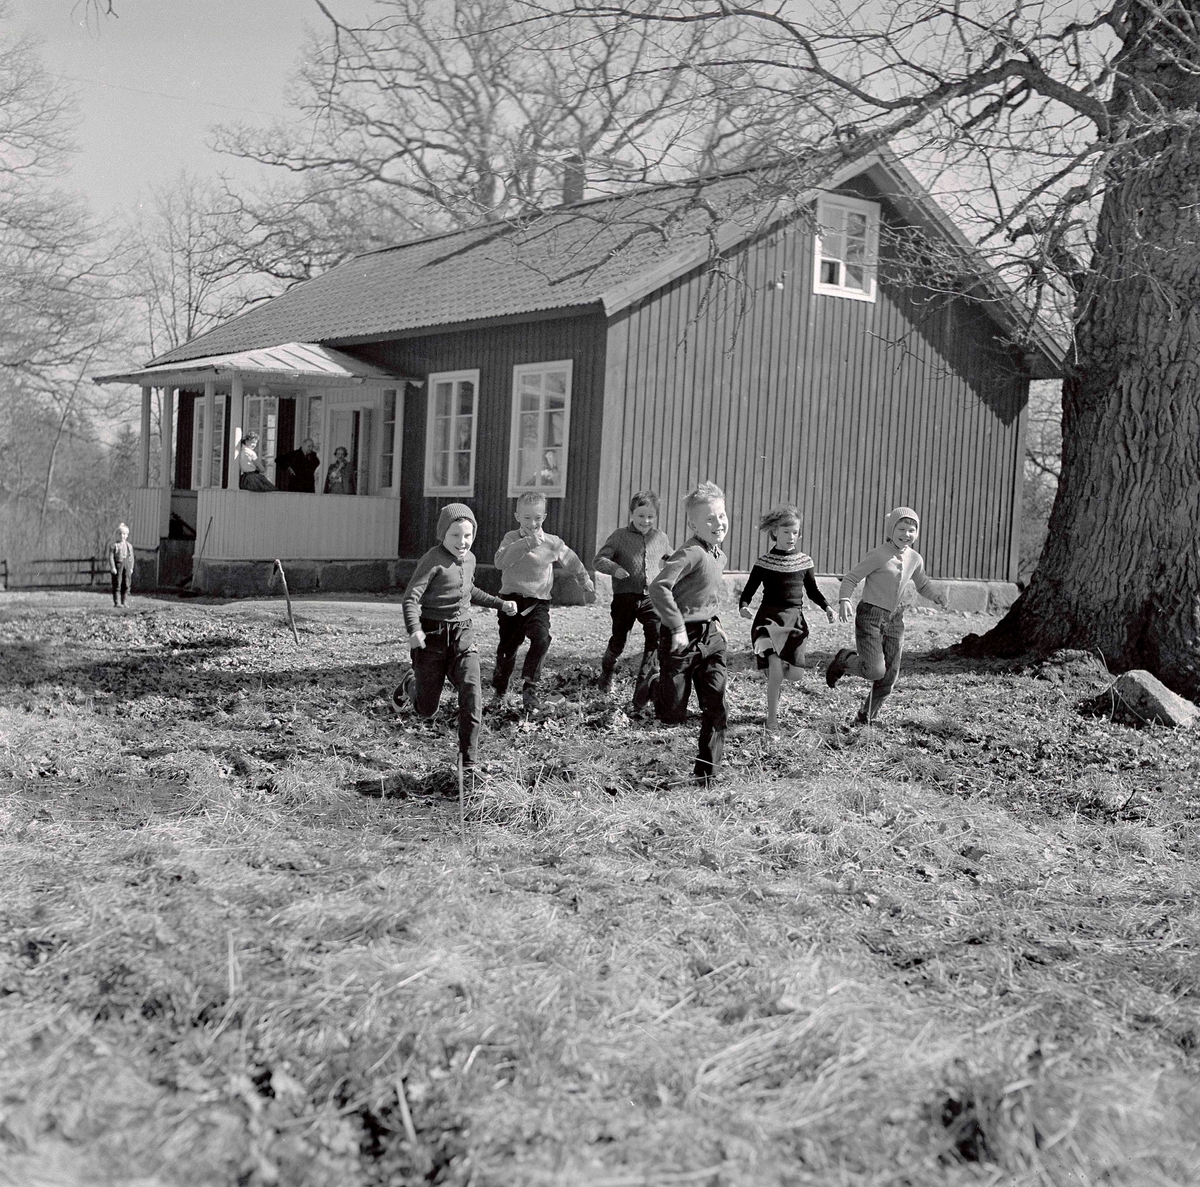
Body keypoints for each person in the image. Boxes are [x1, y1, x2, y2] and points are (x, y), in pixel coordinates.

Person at [395, 504, 517, 779]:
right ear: (443, 535)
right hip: (432, 638)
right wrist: (414, 630)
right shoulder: (432, 560)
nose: (462, 542)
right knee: (427, 710)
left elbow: (469, 589)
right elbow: (411, 599)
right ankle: (410, 683)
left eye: (467, 535)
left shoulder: (470, 559)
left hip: (463, 635)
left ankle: (468, 766)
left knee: (472, 694)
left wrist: (500, 604)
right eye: (455, 536)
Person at [826, 505, 948, 725]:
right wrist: (845, 599)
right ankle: (844, 660)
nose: (906, 534)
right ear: (891, 529)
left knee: (889, 676)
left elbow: (923, 584)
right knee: (874, 670)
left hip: (895, 620)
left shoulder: (915, 558)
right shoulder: (879, 555)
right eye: (901, 529)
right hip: (870, 617)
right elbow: (851, 578)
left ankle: (866, 716)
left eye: (911, 530)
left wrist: (936, 596)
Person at [649, 481, 730, 785]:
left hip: (710, 638)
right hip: (679, 637)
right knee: (672, 713)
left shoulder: (719, 556)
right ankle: (654, 684)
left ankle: (706, 776)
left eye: (721, 516)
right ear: (693, 523)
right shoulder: (691, 553)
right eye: (709, 519)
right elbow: (659, 587)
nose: (718, 523)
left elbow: (704, 594)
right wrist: (677, 626)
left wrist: (716, 627)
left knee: (717, 704)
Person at [492, 491, 596, 713]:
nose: (532, 523)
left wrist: (583, 578)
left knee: (541, 639)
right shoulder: (511, 538)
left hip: (538, 603)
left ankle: (530, 687)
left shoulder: (552, 543)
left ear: (544, 517)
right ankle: (499, 691)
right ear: (517, 516)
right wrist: (527, 543)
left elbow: (571, 559)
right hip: (511, 601)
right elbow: (500, 562)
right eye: (527, 518)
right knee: (508, 649)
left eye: (537, 518)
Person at [739, 504, 836, 733]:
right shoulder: (764, 562)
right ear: (774, 532)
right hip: (769, 619)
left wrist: (827, 607)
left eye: (795, 532)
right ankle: (772, 721)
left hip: (794, 620)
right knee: (775, 670)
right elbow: (748, 591)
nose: (791, 537)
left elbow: (813, 592)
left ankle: (776, 668)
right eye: (785, 532)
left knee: (795, 675)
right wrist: (743, 606)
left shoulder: (804, 561)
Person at [592, 490, 673, 706]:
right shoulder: (619, 536)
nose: (645, 521)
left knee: (655, 639)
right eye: (640, 516)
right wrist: (614, 568)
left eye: (650, 517)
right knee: (619, 641)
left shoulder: (661, 538)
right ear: (631, 514)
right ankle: (607, 670)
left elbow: (673, 558)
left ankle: (642, 691)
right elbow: (598, 560)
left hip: (651, 598)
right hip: (625, 597)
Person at [109, 522, 135, 607]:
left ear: (127, 535)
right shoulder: (114, 546)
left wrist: (131, 567)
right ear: (117, 534)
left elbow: (131, 557)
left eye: (124, 534)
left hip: (126, 565)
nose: (122, 536)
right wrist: (113, 567)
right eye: (120, 533)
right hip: (118, 565)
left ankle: (125, 602)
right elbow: (111, 557)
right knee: (117, 583)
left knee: (126, 583)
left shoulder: (129, 546)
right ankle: (117, 602)